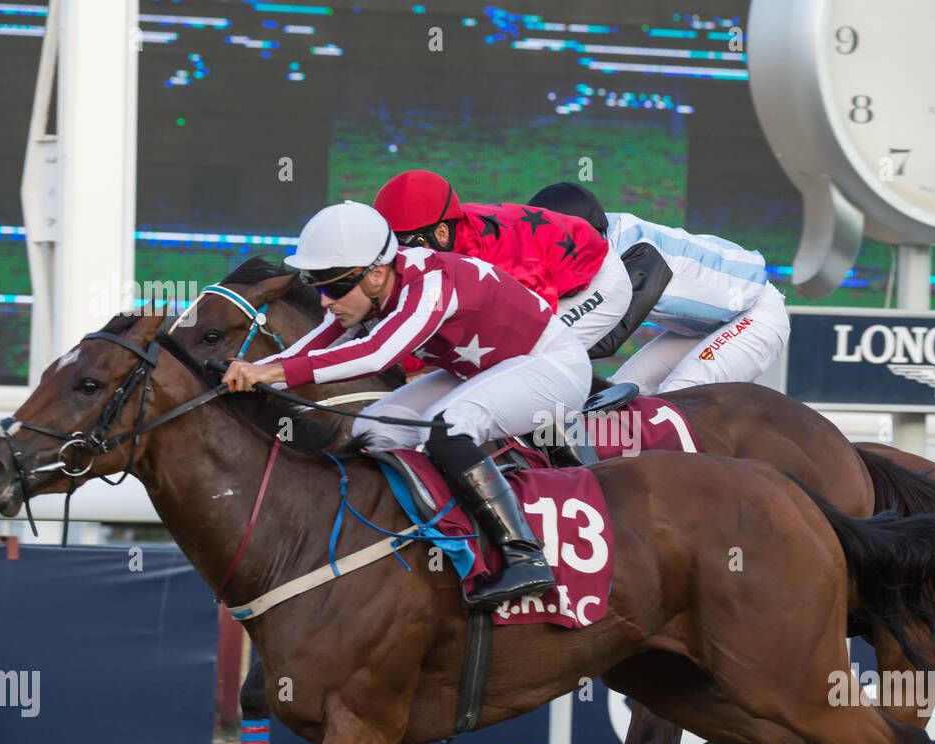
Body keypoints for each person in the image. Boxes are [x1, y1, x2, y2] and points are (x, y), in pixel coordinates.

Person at [224, 200, 591, 606]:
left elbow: (375, 354)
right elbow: (313, 346)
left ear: (376, 274)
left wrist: (270, 374)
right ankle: (405, 534)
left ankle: (523, 555)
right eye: (317, 286)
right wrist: (246, 371)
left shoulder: (431, 283)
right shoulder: (371, 285)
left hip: (553, 366)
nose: (325, 301)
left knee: (445, 427)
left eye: (332, 287)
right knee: (373, 428)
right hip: (488, 369)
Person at [528, 182, 792, 395]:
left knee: (677, 397)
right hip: (702, 326)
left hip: (754, 316)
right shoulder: (598, 235)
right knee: (618, 394)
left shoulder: (637, 255)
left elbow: (608, 338)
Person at [371, 170, 635, 352]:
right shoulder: (448, 243)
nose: (404, 259)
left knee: (531, 358)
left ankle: (567, 435)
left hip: (599, 278)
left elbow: (534, 312)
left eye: (408, 245)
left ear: (441, 233)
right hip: (550, 272)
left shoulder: (492, 259)